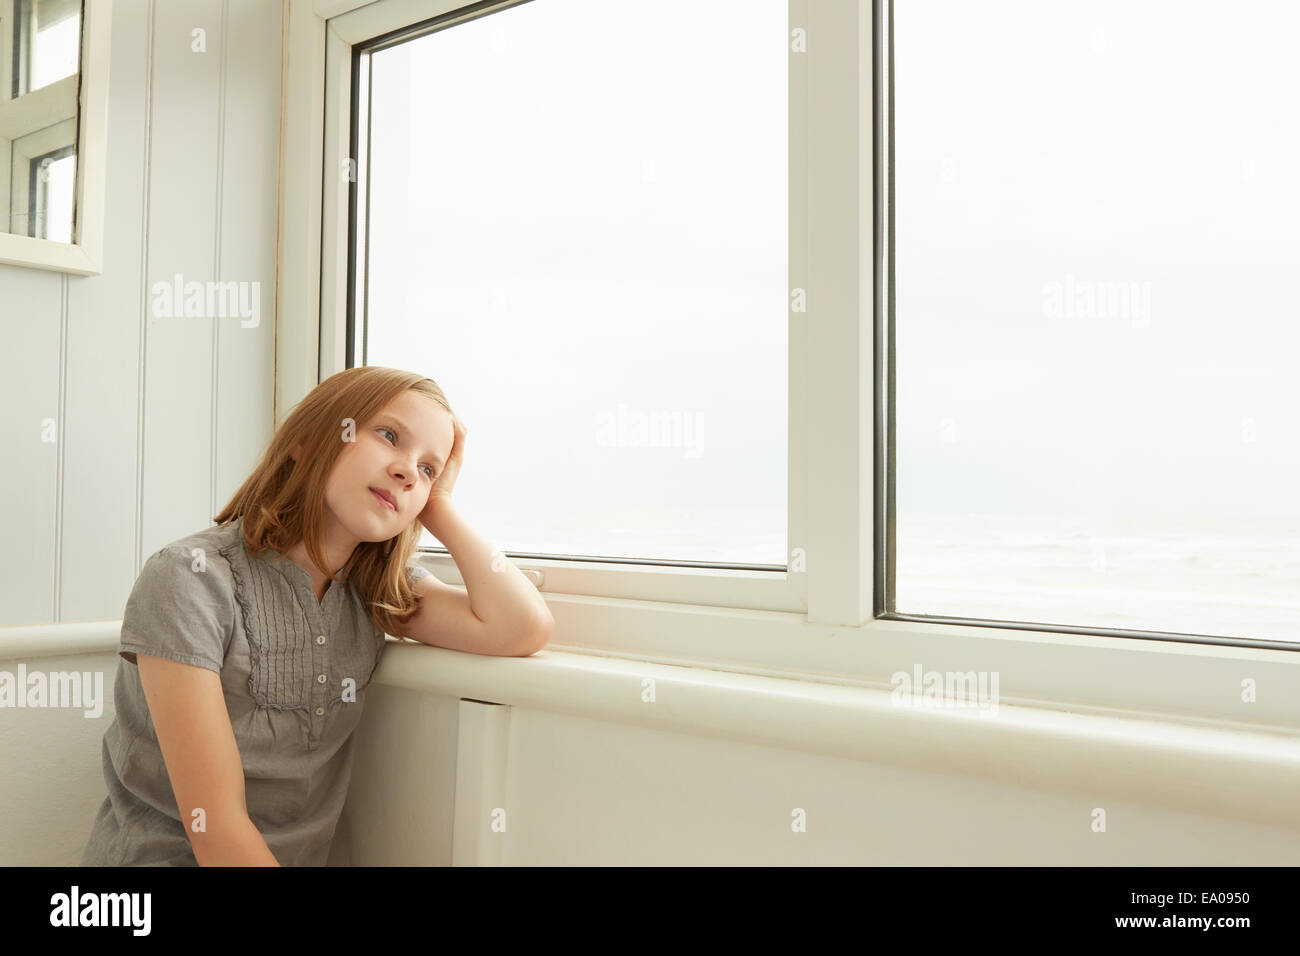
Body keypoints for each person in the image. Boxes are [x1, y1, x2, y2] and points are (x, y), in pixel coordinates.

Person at [80, 366, 553, 866]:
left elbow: (522, 627)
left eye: (429, 468)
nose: (408, 471)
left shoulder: (375, 593)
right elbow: (216, 831)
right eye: (389, 436)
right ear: (306, 441)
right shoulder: (189, 580)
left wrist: (439, 508)